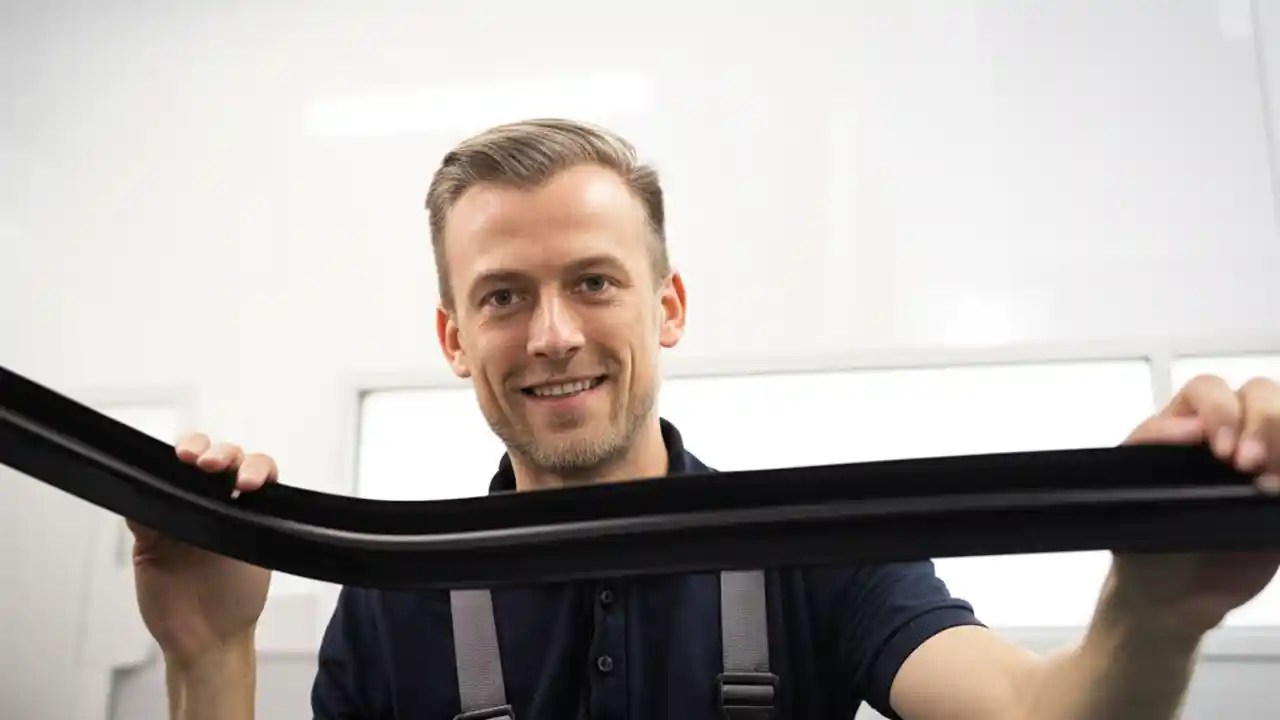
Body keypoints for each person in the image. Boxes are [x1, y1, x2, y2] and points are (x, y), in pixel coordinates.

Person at [130, 118, 1280, 720]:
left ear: (666, 307)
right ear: (453, 340)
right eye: (502, 297)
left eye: (592, 282)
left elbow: (1030, 713)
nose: (551, 335)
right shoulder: (392, 599)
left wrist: (1149, 614)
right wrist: (209, 656)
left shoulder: (818, 552)